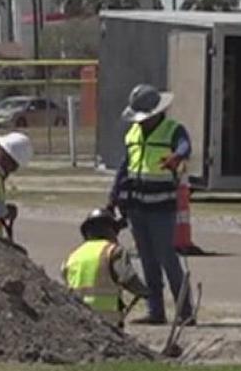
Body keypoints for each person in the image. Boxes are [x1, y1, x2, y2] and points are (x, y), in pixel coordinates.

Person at [107, 82, 192, 325]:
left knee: (167, 258)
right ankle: (155, 311)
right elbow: (125, 167)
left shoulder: (173, 130)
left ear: (156, 113)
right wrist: (113, 196)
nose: (141, 122)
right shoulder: (132, 134)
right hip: (137, 208)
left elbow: (185, 147)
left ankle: (185, 312)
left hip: (161, 207)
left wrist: (177, 157)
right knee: (147, 260)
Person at [62, 207, 149, 324]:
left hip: (78, 318)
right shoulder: (113, 251)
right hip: (106, 320)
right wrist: (145, 291)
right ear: (110, 230)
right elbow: (128, 278)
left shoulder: (73, 256)